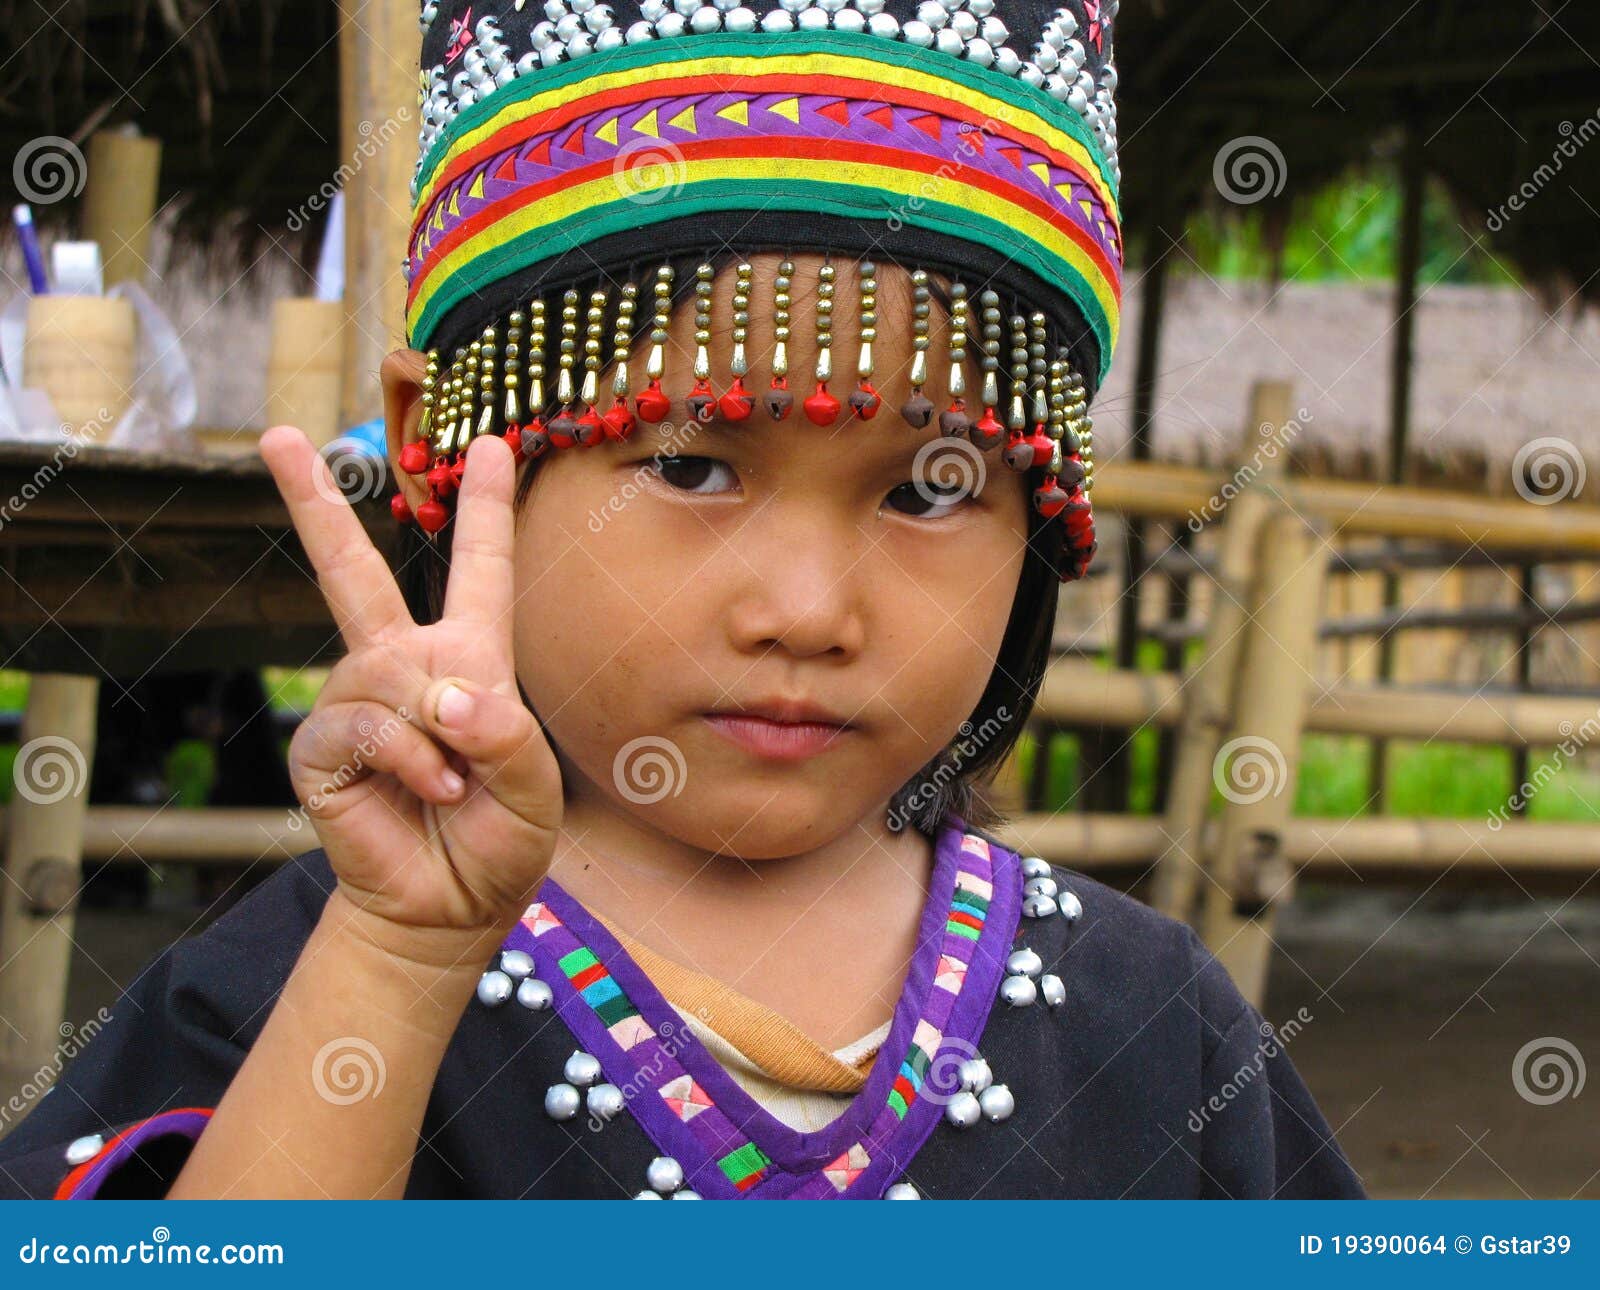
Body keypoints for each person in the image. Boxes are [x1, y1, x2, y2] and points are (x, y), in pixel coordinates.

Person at [0, 0, 1366, 1200]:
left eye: (931, 488)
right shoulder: (311, 980)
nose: (808, 609)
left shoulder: (1157, 1027)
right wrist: (398, 963)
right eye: (693, 463)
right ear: (446, 441)